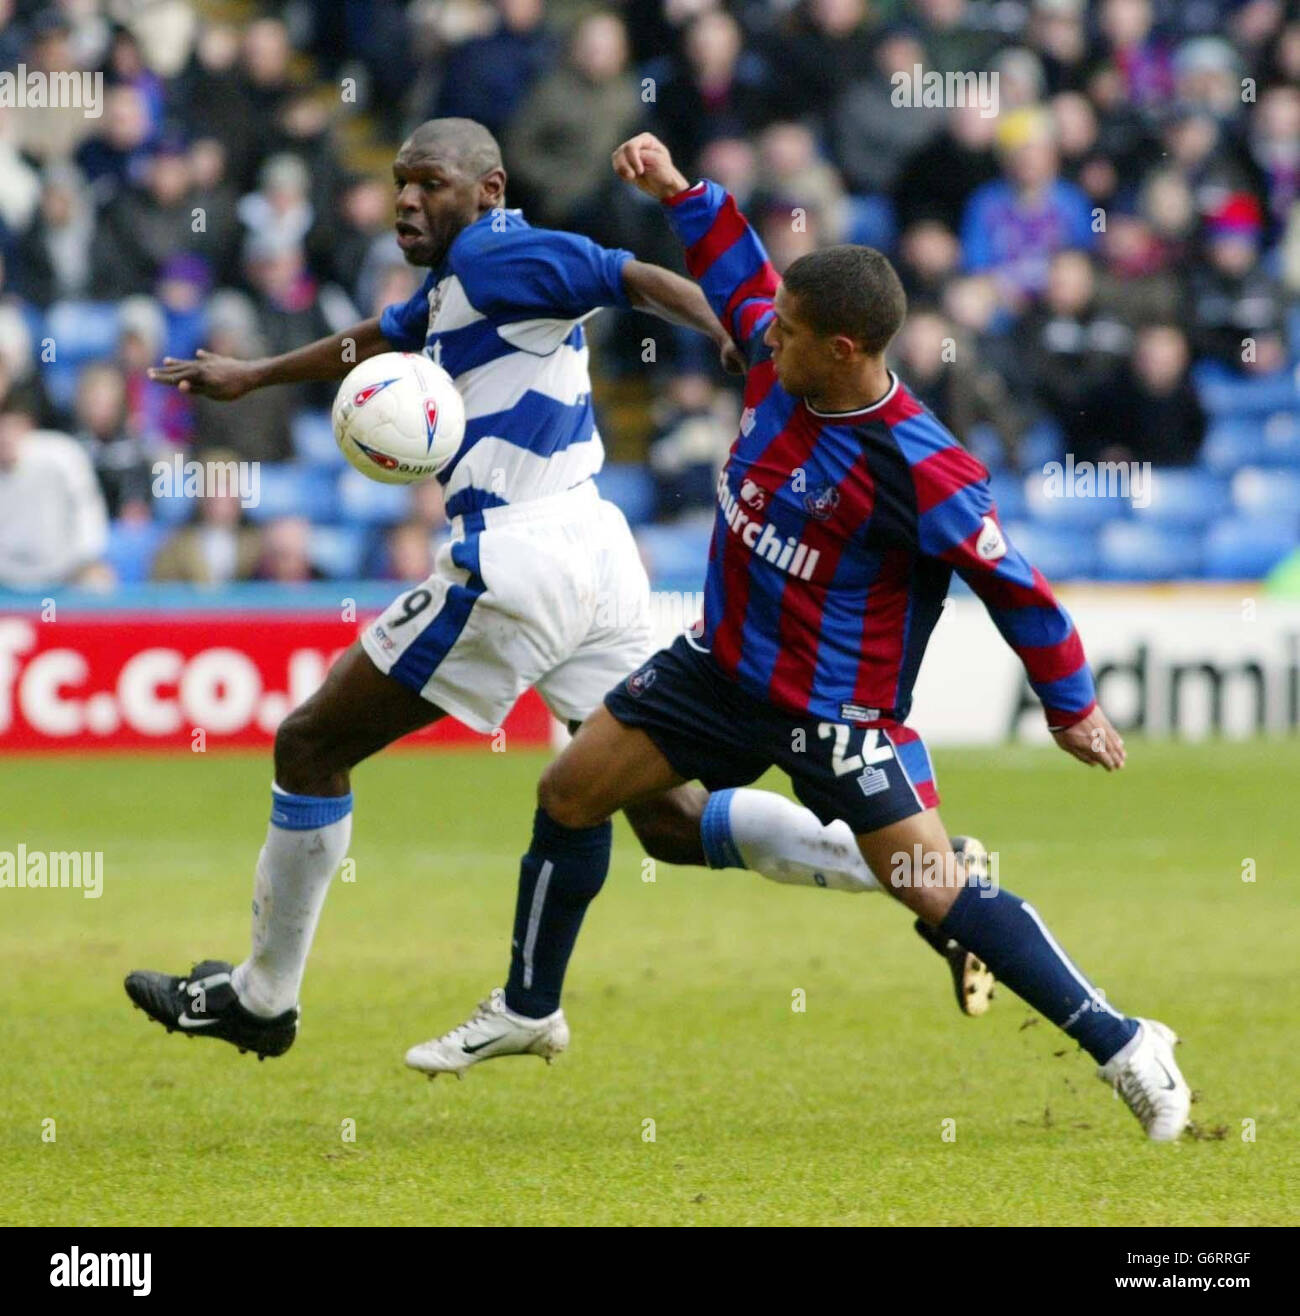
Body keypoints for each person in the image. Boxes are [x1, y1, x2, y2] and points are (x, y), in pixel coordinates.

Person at [124, 118, 985, 1065]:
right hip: (594, 548)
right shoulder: (460, 284)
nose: (408, 200)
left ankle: (262, 997)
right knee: (665, 816)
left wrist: (728, 332)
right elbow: (380, 339)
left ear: (488, 190)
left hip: (517, 561)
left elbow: (625, 275)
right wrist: (257, 375)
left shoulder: (507, 253)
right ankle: (927, 870)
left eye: (432, 185)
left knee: (309, 743)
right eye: (402, 185)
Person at [412, 132, 1192, 1144]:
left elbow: (1016, 586)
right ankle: (527, 1004)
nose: (757, 338)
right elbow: (737, 270)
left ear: (845, 349)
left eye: (782, 331)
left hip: (839, 715)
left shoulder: (925, 468)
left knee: (935, 891)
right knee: (569, 791)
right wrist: (679, 190)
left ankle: (1129, 1043)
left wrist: (1071, 704)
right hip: (718, 668)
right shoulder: (777, 357)